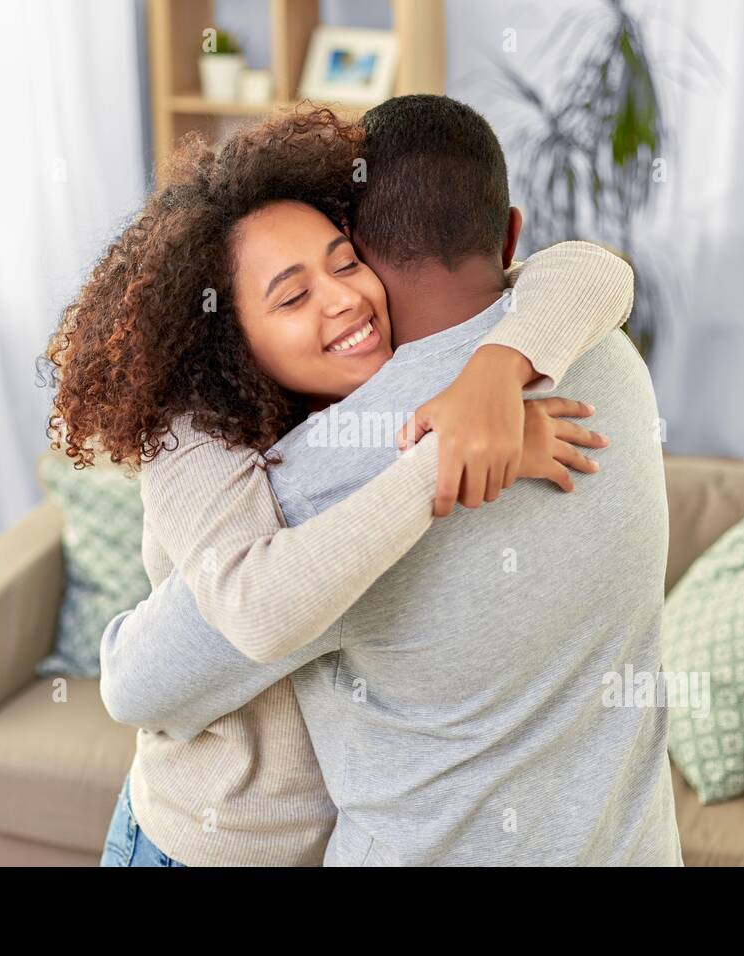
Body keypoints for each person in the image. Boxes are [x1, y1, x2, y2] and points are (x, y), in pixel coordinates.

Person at [87, 97, 677, 866]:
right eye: (292, 295)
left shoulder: (524, 345)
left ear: (365, 247)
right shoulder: (608, 362)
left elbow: (590, 269)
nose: (339, 298)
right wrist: (446, 451)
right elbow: (139, 682)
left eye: (343, 261)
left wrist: (494, 373)